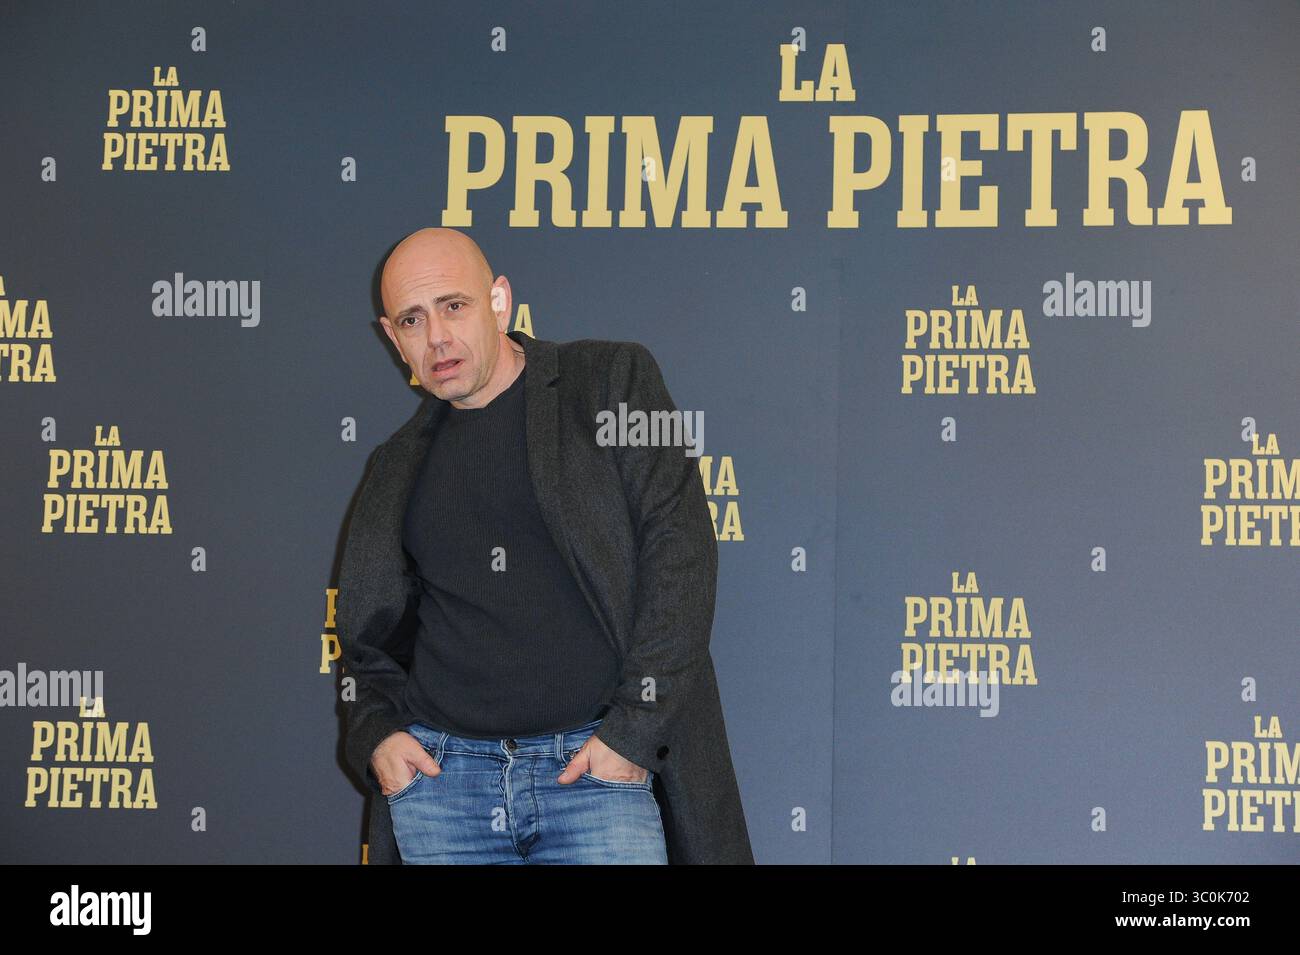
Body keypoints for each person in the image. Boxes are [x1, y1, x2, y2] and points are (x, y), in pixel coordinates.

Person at [335, 227, 753, 864]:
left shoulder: (613, 380)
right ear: (393, 339)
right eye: (413, 320)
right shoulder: (395, 464)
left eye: (455, 306)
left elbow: (681, 555)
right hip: (444, 793)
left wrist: (633, 735)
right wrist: (378, 736)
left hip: (595, 779)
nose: (437, 338)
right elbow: (366, 635)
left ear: (499, 301)